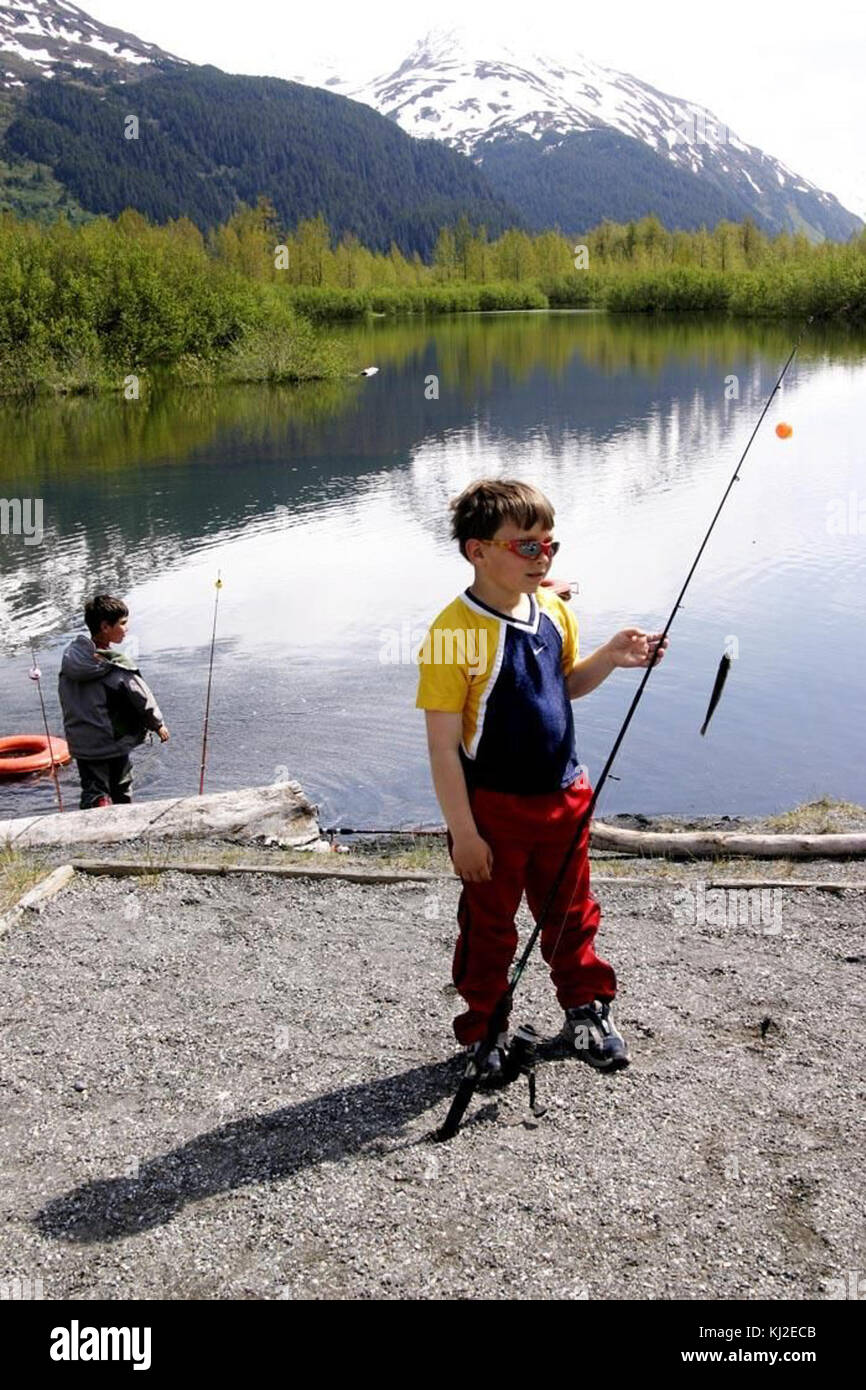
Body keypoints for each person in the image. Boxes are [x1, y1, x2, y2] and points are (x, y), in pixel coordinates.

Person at [416, 479, 668, 1081]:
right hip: (493, 811)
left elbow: (565, 685)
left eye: (549, 544)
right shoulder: (452, 633)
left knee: (570, 913)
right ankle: (485, 1028)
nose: (543, 557)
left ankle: (585, 1010)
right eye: (525, 546)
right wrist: (465, 833)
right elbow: (443, 748)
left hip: (565, 795)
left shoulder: (553, 609)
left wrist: (609, 657)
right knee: (489, 925)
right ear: (478, 551)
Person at [58, 595, 169, 810]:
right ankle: (122, 825)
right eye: (123, 623)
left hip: (81, 743)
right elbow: (141, 697)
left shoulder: (71, 660)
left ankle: (94, 817)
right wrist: (158, 724)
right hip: (111, 741)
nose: (126, 629)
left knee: (93, 788)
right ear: (105, 627)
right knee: (122, 785)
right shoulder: (115, 666)